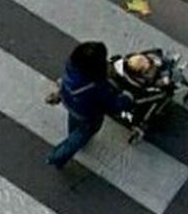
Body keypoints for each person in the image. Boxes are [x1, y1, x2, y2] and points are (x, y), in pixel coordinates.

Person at [44, 41, 133, 169]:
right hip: (88, 115)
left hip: (70, 102)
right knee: (81, 136)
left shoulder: (72, 66)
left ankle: (71, 134)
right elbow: (112, 104)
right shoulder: (96, 87)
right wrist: (127, 99)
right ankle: (58, 157)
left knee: (74, 124)